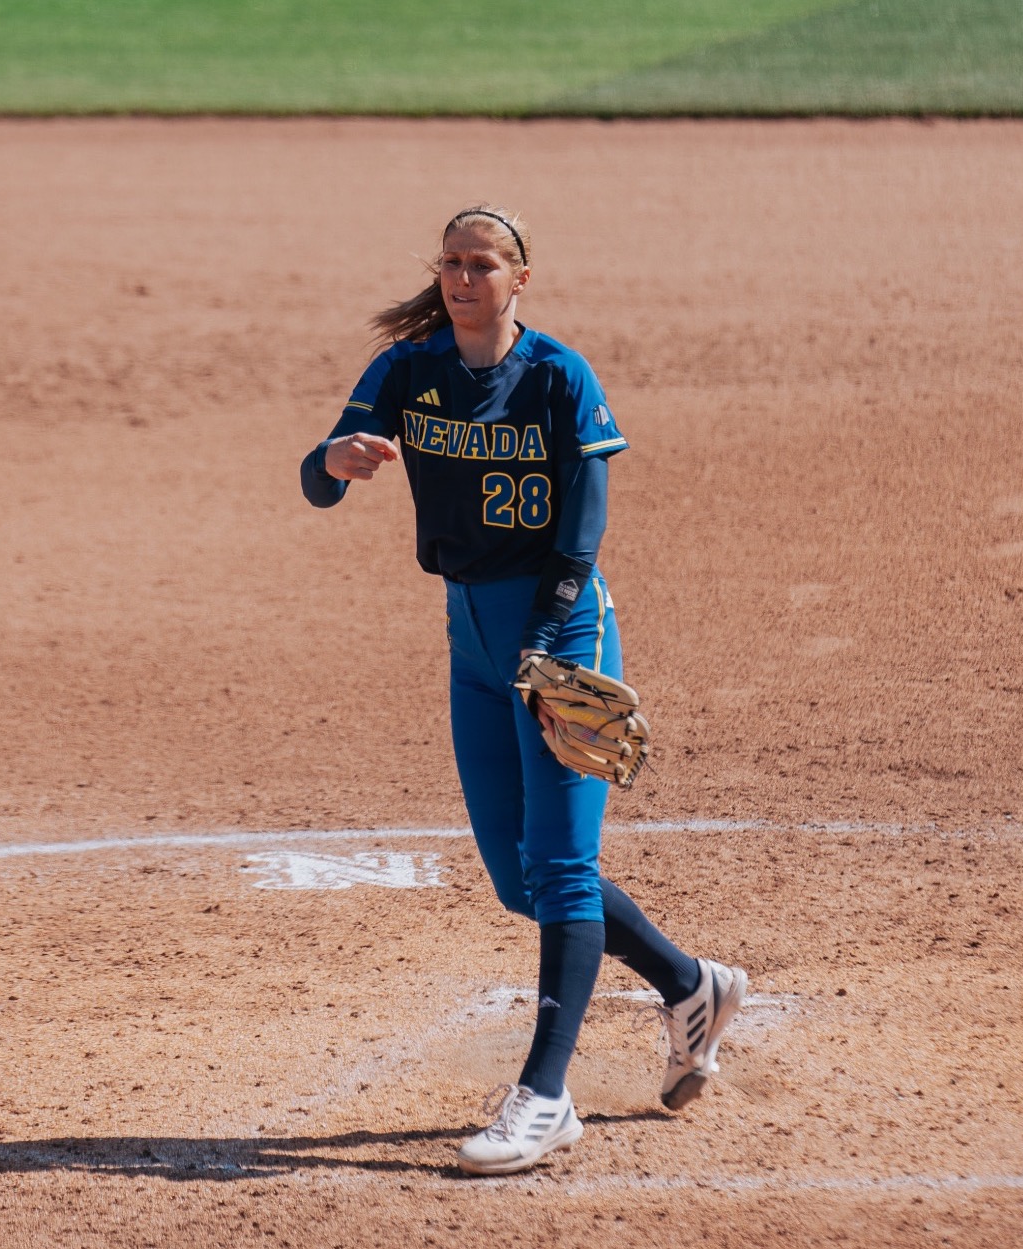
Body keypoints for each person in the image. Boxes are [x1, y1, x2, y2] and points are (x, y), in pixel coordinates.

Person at [299, 205, 748, 1176]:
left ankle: (544, 1098)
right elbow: (317, 476)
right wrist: (335, 463)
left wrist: (545, 649)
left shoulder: (556, 377)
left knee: (559, 866)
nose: (464, 279)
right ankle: (689, 983)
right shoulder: (406, 371)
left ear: (520, 278)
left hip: (562, 634)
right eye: (452, 263)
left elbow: (582, 530)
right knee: (519, 878)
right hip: (470, 641)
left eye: (484, 264)